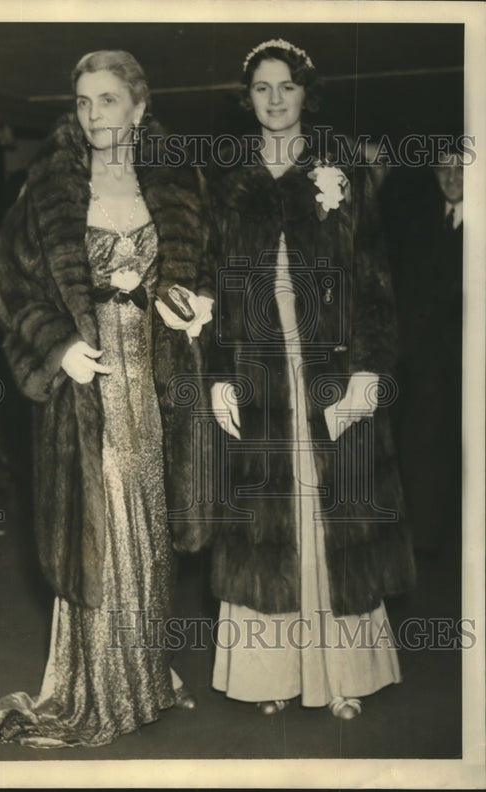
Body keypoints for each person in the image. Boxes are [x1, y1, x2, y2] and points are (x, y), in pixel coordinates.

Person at [0, 50, 213, 748]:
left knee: (150, 528)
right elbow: (9, 285)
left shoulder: (178, 179)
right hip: (86, 385)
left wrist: (193, 305)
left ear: (138, 104)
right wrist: (57, 347)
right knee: (99, 531)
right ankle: (96, 690)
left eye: (106, 99)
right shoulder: (46, 187)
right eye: (81, 101)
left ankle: (145, 679)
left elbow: (204, 264)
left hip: (156, 383)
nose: (92, 114)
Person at [205, 39, 416, 719]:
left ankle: (342, 676)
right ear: (249, 97)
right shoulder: (229, 181)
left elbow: (377, 284)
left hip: (331, 373)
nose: (274, 100)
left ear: (305, 93)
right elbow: (214, 289)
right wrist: (215, 375)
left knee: (337, 522)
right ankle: (269, 677)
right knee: (270, 524)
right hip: (258, 376)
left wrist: (371, 372)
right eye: (262, 88)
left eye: (286, 87)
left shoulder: (342, 168)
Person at [379, 152, 463, 554]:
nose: (452, 176)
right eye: (444, 167)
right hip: (422, 372)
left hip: (463, 372)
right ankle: (425, 550)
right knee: (419, 457)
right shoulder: (419, 224)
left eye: (463, 167)